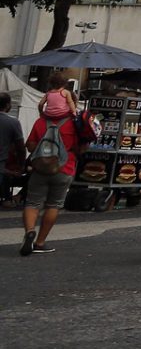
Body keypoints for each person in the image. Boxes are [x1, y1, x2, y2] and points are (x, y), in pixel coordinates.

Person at [19, 87, 96, 257]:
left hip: (40, 168)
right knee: (53, 205)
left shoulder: (40, 122)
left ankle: (29, 232)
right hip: (65, 167)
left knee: (32, 202)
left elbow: (30, 145)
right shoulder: (75, 123)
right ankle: (40, 242)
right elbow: (81, 148)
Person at [0, 93, 24, 208]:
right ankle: (7, 199)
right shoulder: (13, 123)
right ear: (8, 105)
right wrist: (22, 165)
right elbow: (21, 148)